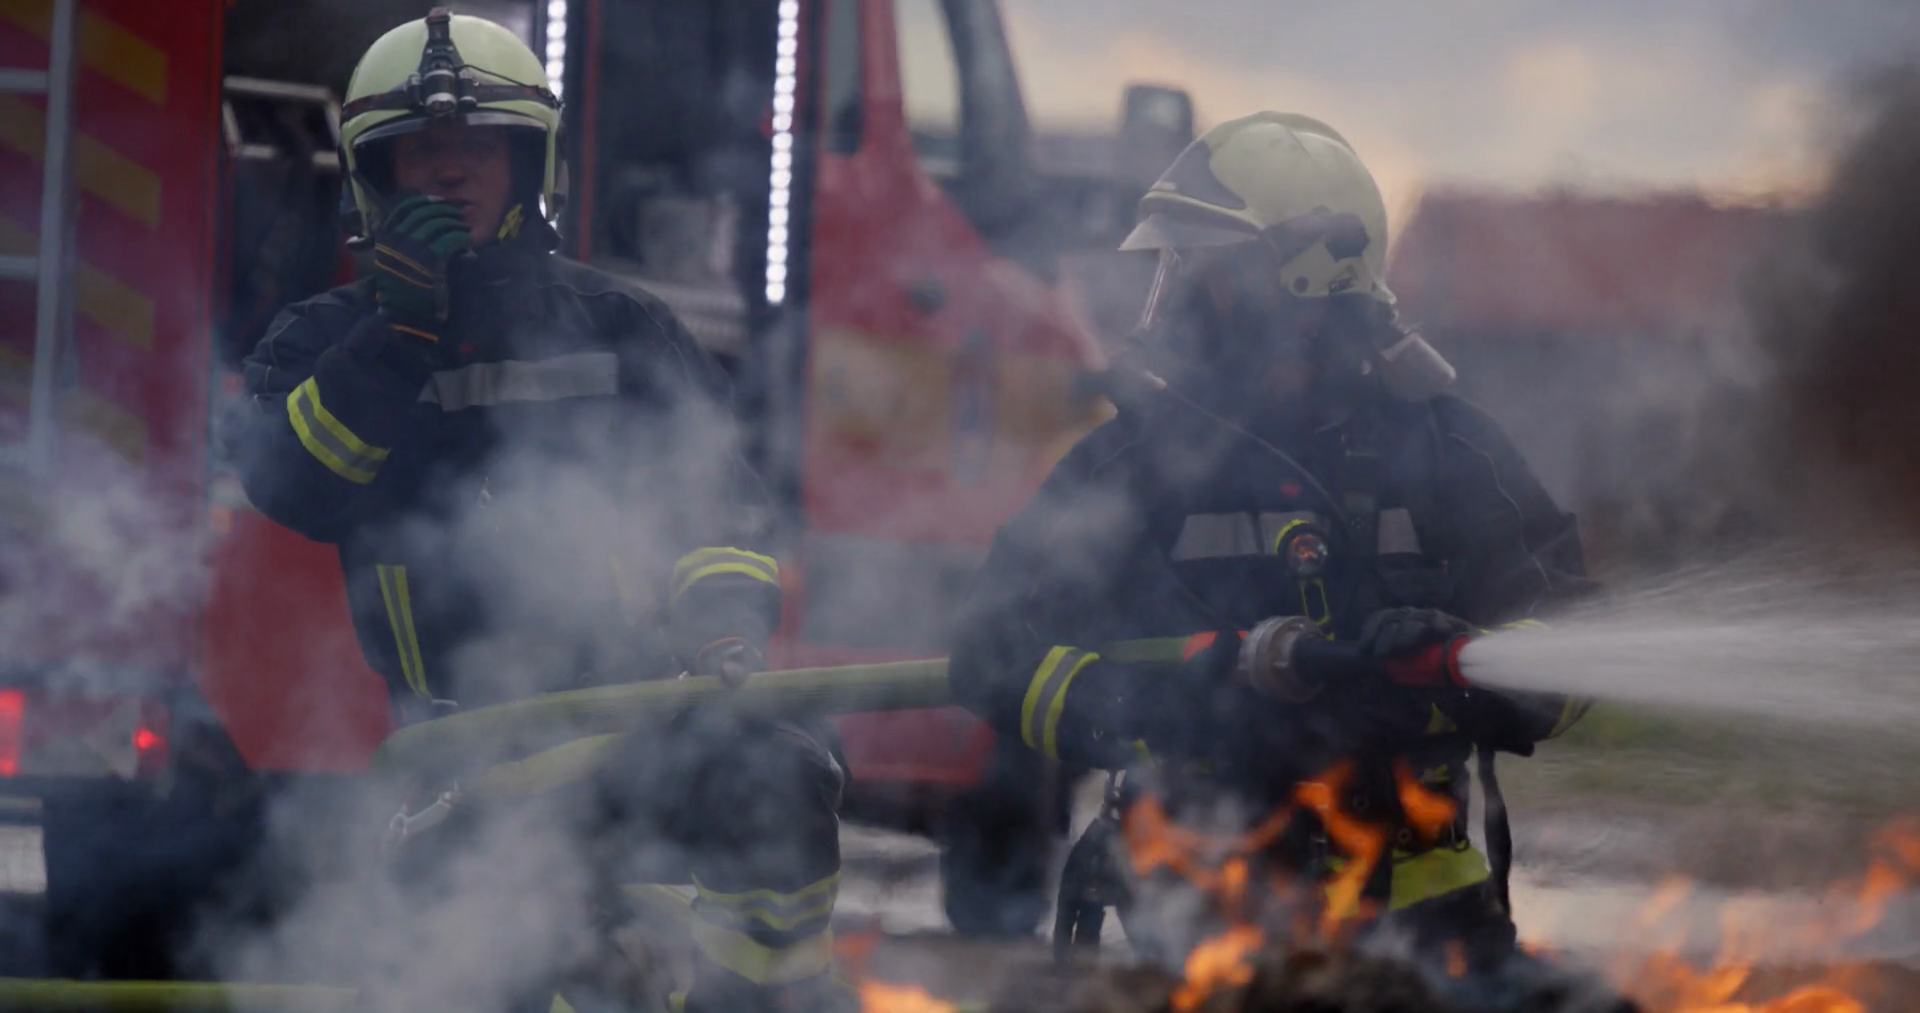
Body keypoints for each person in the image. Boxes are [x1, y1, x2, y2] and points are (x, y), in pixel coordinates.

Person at [227, 11, 842, 1012]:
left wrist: (727, 628)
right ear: (370, 178)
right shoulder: (321, 342)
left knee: (781, 770)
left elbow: (721, 505)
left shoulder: (622, 327)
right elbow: (291, 482)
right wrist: (399, 333)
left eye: (477, 146)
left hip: (631, 726)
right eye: (419, 150)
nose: (448, 172)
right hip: (457, 765)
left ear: (528, 164)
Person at [949, 112, 1597, 964]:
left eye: (1203, 273)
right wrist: (1161, 709)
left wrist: (1464, 670)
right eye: (1172, 269)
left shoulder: (1448, 449)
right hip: (1201, 937)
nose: (1176, 300)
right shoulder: (1137, 462)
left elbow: (1579, 645)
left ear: (1297, 287)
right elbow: (991, 647)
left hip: (1424, 940)